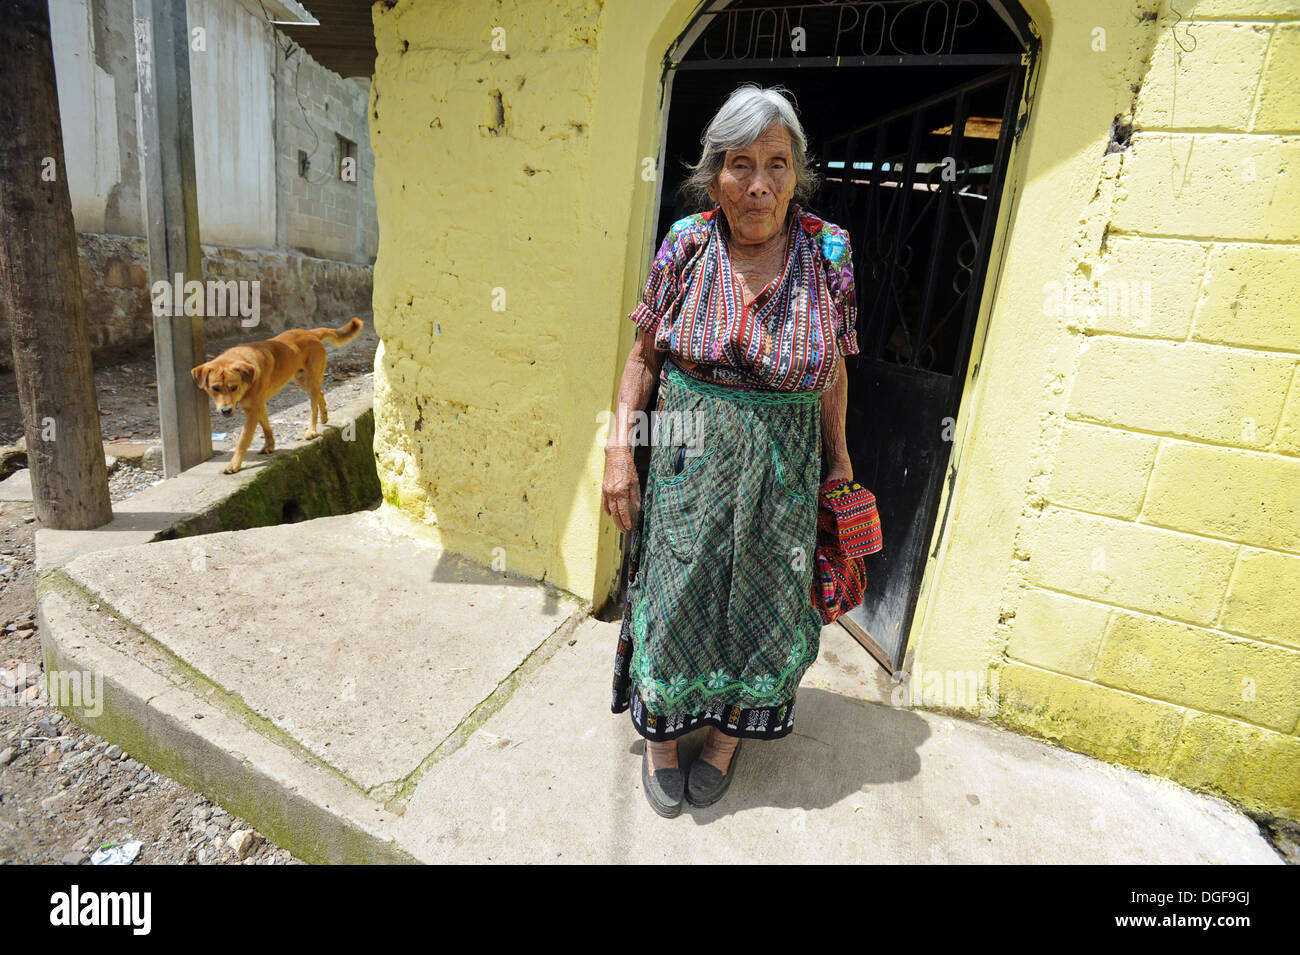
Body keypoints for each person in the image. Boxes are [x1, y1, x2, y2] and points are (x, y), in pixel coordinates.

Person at [603, 83, 859, 816]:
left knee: (767, 600)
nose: (758, 184)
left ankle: (722, 739)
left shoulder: (830, 250)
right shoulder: (687, 242)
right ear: (714, 172)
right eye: (740, 163)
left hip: (785, 469)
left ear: (797, 171)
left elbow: (835, 367)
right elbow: (643, 358)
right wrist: (621, 452)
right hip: (689, 460)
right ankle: (660, 739)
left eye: (777, 164)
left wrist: (838, 461)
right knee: (676, 593)